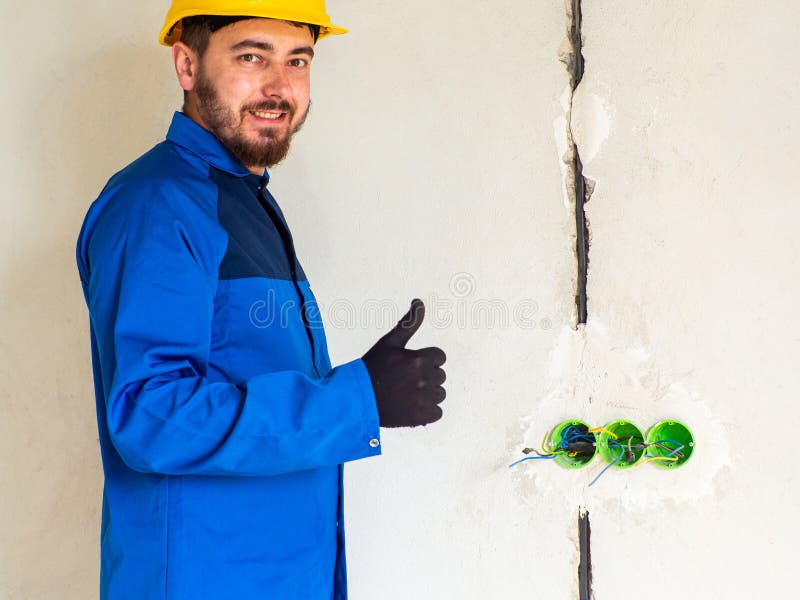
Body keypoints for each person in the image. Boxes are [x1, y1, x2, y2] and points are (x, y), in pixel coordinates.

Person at [75, 2, 447, 598]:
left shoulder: (240, 198)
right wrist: (358, 399)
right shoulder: (161, 205)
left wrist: (361, 394)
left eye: (298, 60)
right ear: (187, 65)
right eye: (252, 56)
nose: (279, 86)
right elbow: (151, 416)